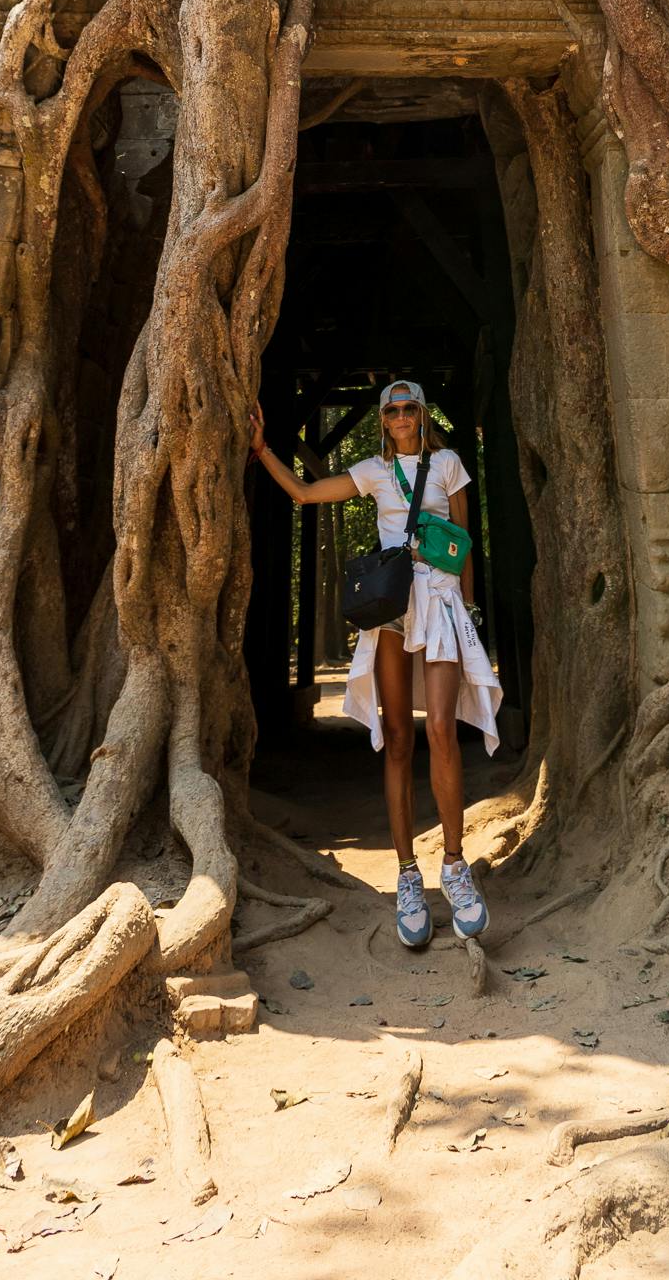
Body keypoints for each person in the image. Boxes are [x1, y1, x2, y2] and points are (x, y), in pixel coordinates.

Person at [248, 377, 502, 946]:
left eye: (412, 408)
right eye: (394, 410)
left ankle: (456, 868)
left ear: (422, 414)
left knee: (439, 729)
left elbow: (461, 540)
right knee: (396, 735)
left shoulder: (448, 464)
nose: (404, 417)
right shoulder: (372, 472)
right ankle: (408, 875)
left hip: (438, 605)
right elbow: (307, 494)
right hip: (391, 609)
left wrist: (468, 609)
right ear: (383, 419)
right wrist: (263, 450)